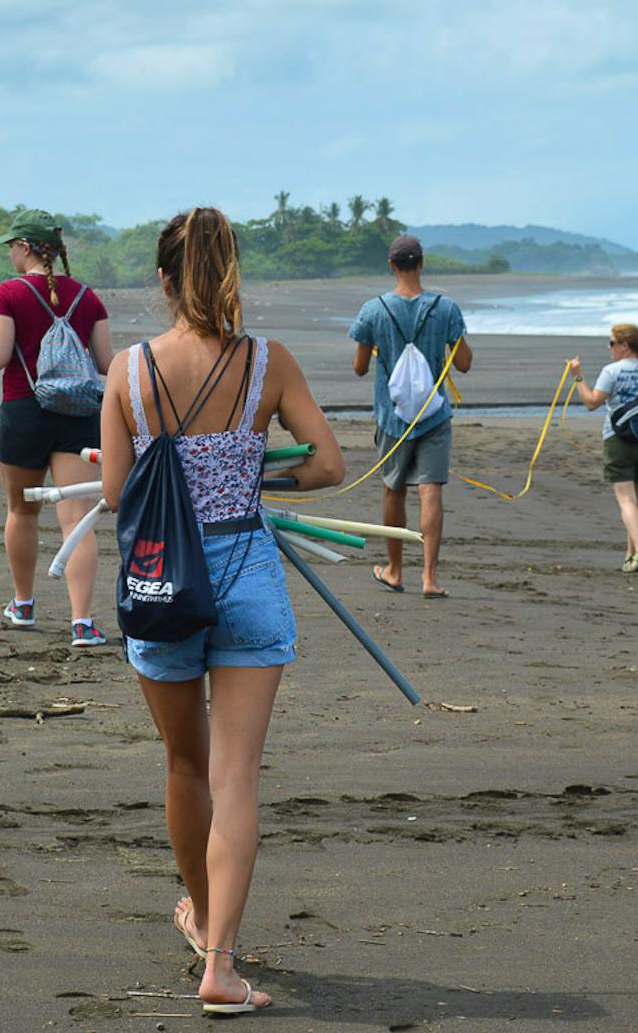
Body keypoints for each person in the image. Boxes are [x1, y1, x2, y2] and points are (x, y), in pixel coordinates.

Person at [97, 207, 344, 1014]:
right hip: (245, 575)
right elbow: (328, 465)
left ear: (162, 280)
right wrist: (253, 478)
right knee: (236, 776)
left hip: (162, 582)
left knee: (184, 766)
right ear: (233, 272)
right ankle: (222, 967)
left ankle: (203, 919)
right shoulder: (267, 363)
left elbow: (112, 494)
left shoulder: (128, 371)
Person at [0, 208, 115, 646]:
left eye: (12, 246)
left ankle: (23, 604)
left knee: (22, 511)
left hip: (24, 413)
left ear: (25, 247)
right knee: (76, 520)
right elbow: (106, 364)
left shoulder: (7, 295)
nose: (10, 253)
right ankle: (82, 622)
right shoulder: (88, 297)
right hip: (80, 415)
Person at [349, 234, 472, 598]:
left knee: (394, 489)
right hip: (434, 415)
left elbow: (358, 368)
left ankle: (395, 570)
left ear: (391, 265)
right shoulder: (445, 308)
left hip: (392, 417)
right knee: (430, 489)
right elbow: (464, 363)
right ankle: (430, 578)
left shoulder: (374, 310)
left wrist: (381, 349)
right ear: (421, 263)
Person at [569, 323, 638, 573]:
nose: (610, 349)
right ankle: (630, 556)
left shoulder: (612, 371)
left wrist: (577, 375)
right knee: (637, 502)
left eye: (612, 343)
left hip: (618, 439)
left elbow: (591, 402)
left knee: (627, 502)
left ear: (624, 345)